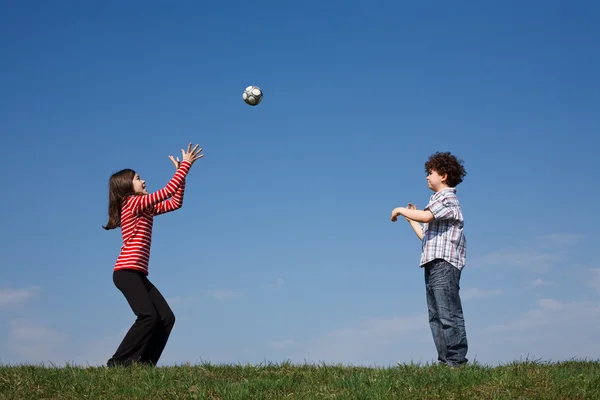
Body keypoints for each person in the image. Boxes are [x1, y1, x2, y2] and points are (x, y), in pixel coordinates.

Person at [102, 143, 204, 367]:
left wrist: (182, 176)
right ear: (127, 186)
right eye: (138, 178)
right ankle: (117, 363)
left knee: (167, 318)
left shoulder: (145, 208)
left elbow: (175, 202)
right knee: (148, 316)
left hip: (137, 274)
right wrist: (185, 166)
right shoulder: (132, 203)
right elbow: (167, 191)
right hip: (125, 272)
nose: (144, 181)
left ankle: (145, 366)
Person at [390, 151, 468, 367]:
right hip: (432, 262)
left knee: (448, 313)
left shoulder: (448, 198)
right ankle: (445, 361)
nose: (427, 176)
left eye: (430, 172)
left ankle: (456, 361)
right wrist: (410, 218)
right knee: (435, 315)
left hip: (445, 262)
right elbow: (426, 234)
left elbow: (426, 216)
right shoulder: (436, 201)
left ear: (443, 175)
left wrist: (399, 209)